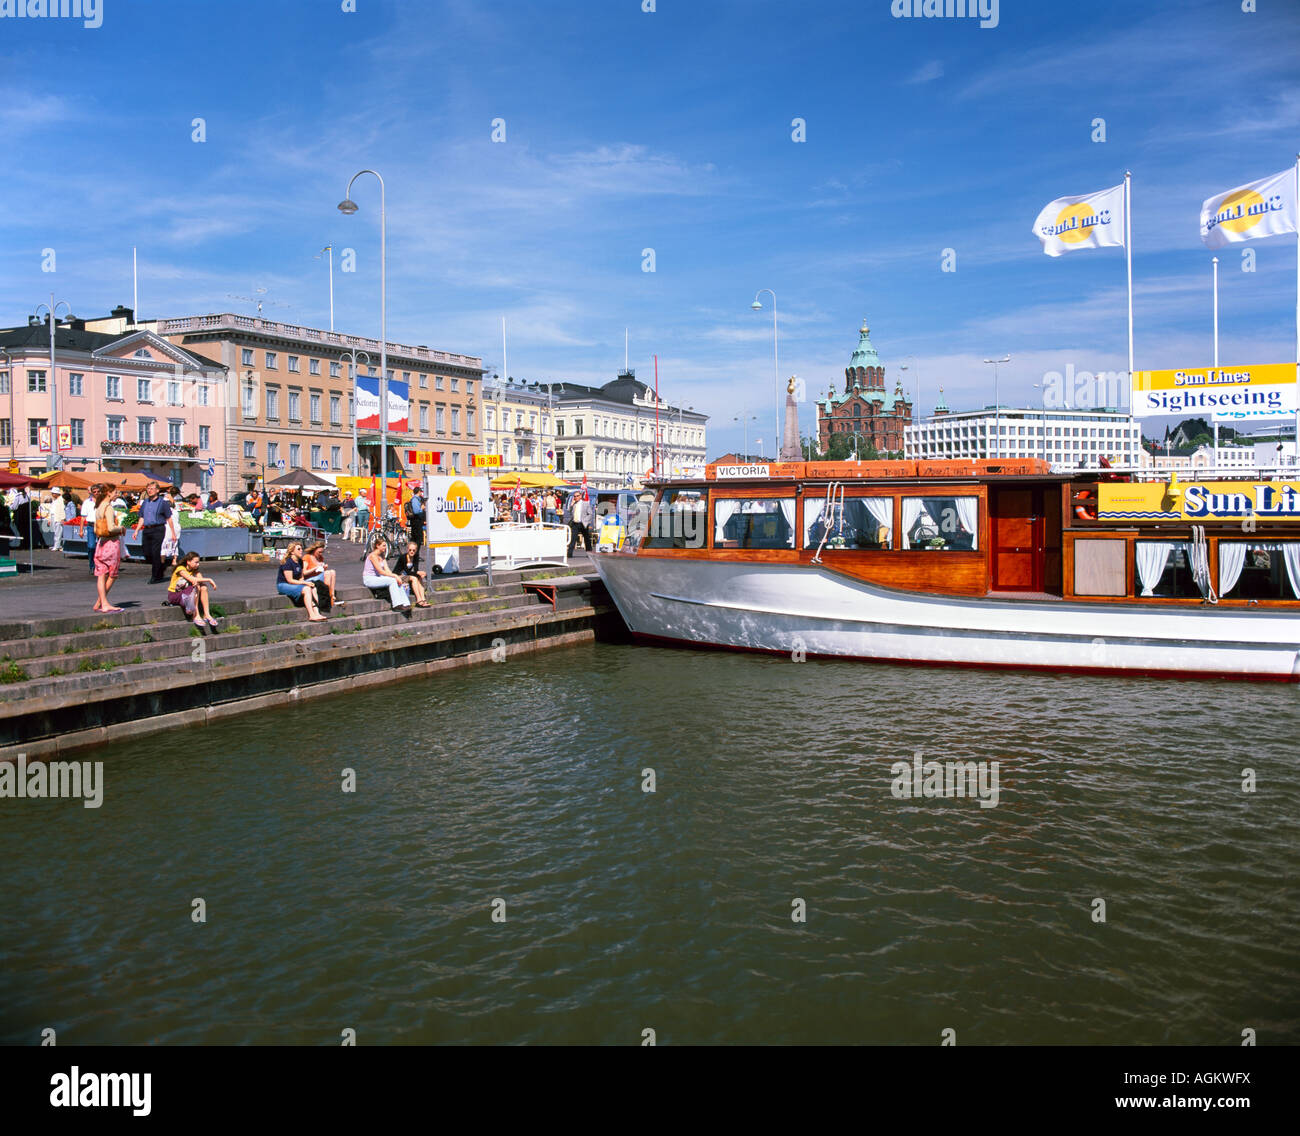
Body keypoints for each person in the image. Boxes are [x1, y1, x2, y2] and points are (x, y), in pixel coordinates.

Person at [91, 484, 125, 613]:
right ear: (108, 493)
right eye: (115, 492)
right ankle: (102, 602)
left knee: (101, 574)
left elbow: (96, 528)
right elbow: (111, 528)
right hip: (111, 543)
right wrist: (121, 528)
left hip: (101, 543)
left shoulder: (99, 507)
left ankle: (101, 602)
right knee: (112, 574)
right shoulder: (109, 507)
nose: (117, 494)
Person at [276, 540, 327, 621]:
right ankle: (311, 615)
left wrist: (306, 583)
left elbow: (301, 577)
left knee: (313, 587)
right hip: (283, 585)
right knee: (307, 589)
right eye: (298, 549)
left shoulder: (300, 561)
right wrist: (304, 583)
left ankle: (317, 612)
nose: (301, 551)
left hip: (295, 583)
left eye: (301, 549)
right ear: (292, 552)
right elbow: (290, 580)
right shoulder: (288, 562)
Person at [134, 480, 173, 585]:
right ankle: (160, 569)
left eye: (152, 489)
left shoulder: (163, 503)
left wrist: (173, 533)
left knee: (156, 552)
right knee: (147, 552)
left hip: (158, 529)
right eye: (148, 489)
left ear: (157, 490)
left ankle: (155, 576)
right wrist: (137, 530)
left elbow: (169, 518)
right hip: (147, 529)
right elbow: (142, 517)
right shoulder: (145, 502)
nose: (149, 490)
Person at [167, 551, 219, 627]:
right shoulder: (180, 569)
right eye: (196, 562)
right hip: (175, 595)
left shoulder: (195, 570)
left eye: (198, 562)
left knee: (203, 587)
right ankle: (196, 615)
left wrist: (199, 581)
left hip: (187, 593)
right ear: (188, 562)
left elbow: (200, 579)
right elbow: (191, 579)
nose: (198, 564)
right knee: (196, 586)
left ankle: (207, 615)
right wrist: (209, 579)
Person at [363, 538, 411, 611]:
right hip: (370, 579)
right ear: (377, 546)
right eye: (383, 546)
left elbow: (387, 569)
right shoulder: (373, 556)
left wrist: (396, 577)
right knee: (392, 580)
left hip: (378, 577)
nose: (385, 548)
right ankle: (396, 605)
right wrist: (395, 576)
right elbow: (381, 571)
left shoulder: (382, 555)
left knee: (397, 580)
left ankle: (406, 603)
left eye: (385, 546)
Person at [392, 540, 431, 607]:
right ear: (407, 550)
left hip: (406, 575)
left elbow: (415, 569)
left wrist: (421, 574)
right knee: (414, 578)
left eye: (413, 550)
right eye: (410, 550)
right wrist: (418, 573)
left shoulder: (416, 557)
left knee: (419, 577)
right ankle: (418, 600)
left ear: (416, 551)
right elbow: (407, 571)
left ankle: (423, 599)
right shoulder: (403, 557)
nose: (412, 552)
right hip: (399, 575)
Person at [302, 541, 342, 607]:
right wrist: (315, 568)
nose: (320, 554)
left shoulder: (320, 558)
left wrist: (324, 568)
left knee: (332, 571)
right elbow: (304, 573)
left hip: (317, 577)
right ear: (314, 550)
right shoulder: (307, 557)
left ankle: (331, 595)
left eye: (322, 552)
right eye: (319, 552)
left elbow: (321, 572)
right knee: (328, 573)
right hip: (309, 579)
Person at [160, 487, 182, 571]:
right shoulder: (176, 511)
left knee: (164, 544)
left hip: (168, 528)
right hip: (176, 528)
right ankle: (174, 560)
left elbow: (168, 520)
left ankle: (162, 561)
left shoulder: (166, 512)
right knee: (175, 544)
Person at [81, 488, 98, 573]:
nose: (96, 493)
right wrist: (81, 530)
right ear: (91, 492)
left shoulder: (103, 502)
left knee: (101, 547)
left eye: (98, 491)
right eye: (94, 491)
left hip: (100, 526)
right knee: (91, 546)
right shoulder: (87, 502)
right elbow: (83, 517)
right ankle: (92, 565)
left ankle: (99, 566)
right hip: (91, 526)